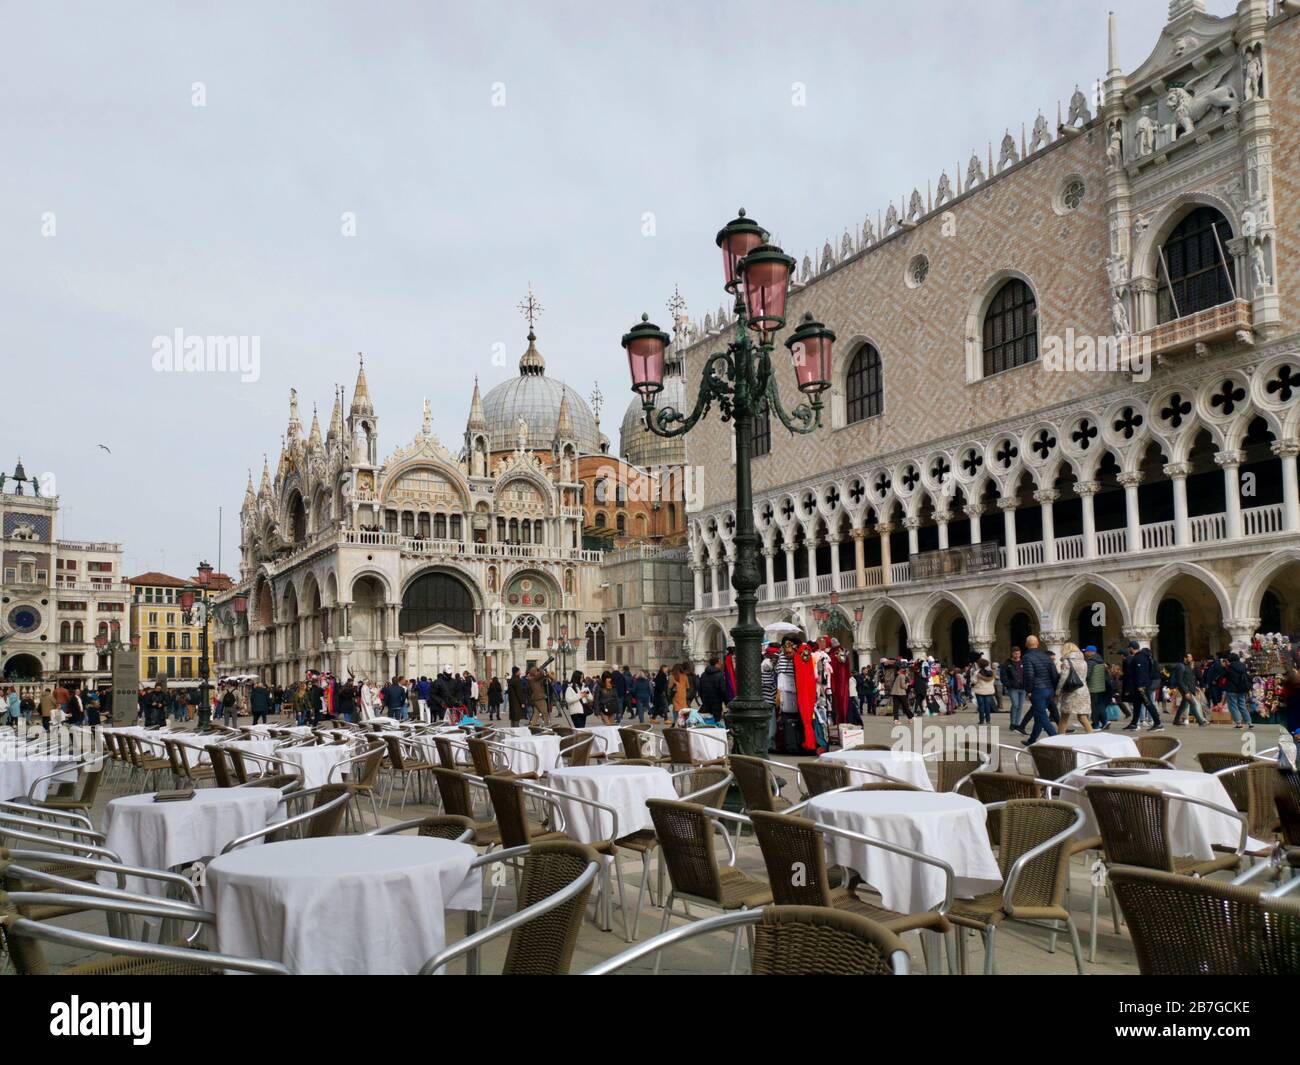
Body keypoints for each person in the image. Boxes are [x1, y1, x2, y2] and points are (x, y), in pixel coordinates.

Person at [1020, 635, 1059, 745]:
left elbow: (1029, 675)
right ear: (1037, 643)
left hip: (1038, 690)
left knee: (1042, 716)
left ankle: (1056, 739)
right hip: (1048, 689)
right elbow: (1054, 674)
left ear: (1026, 645)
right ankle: (1032, 740)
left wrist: (1028, 690)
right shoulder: (1046, 656)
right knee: (1039, 716)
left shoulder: (1027, 657)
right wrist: (1054, 688)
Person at [1123, 641, 1163, 732]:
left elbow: (1140, 672)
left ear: (1131, 648)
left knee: (1148, 704)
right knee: (1137, 704)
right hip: (1140, 685)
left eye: (1129, 648)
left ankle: (1158, 723)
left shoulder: (1139, 658)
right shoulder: (1143, 657)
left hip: (1142, 686)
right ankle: (1134, 723)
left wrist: (1140, 685)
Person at [1056, 641, 1092, 733]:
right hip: (1083, 690)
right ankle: (1092, 736)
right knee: (1082, 717)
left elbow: (1063, 678)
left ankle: (1060, 738)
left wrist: (1057, 692)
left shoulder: (1067, 661)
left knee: (1064, 716)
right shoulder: (1084, 662)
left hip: (1071, 691)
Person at [1170, 652, 1207, 726]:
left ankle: (1176, 720)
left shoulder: (1187, 666)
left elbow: (1190, 677)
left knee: (1183, 705)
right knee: (1193, 704)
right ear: (1185, 658)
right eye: (1190, 657)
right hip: (1185, 689)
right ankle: (1201, 722)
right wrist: (1186, 691)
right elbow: (1180, 680)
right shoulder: (1180, 666)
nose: (1191, 658)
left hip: (1189, 688)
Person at [1000, 647, 1027, 734]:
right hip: (1013, 688)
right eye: (1015, 653)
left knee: (1020, 706)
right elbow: (1003, 676)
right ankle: (1012, 723)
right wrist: (1008, 684)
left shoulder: (1024, 662)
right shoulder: (1007, 663)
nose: (1017, 655)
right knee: (1015, 704)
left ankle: (1017, 723)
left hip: (1023, 688)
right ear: (1012, 653)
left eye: (1018, 653)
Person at [1225, 651, 1253, 730]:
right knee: (1242, 705)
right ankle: (1249, 722)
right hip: (1241, 689)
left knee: (1233, 706)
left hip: (1232, 689)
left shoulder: (1230, 668)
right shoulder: (1243, 666)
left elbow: (1226, 677)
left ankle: (1238, 723)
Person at [698, 656, 727, 722]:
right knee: (716, 722)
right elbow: (723, 690)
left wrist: (703, 700)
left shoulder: (703, 674)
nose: (721, 665)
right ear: (716, 664)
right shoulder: (720, 675)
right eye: (720, 663)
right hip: (717, 704)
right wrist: (726, 702)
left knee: (707, 722)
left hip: (706, 703)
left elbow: (700, 689)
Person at [972, 658, 996, 724]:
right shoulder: (991, 672)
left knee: (981, 706)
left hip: (979, 691)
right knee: (987, 706)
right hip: (989, 691)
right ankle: (988, 720)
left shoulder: (977, 673)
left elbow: (974, 681)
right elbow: (993, 680)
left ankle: (981, 720)